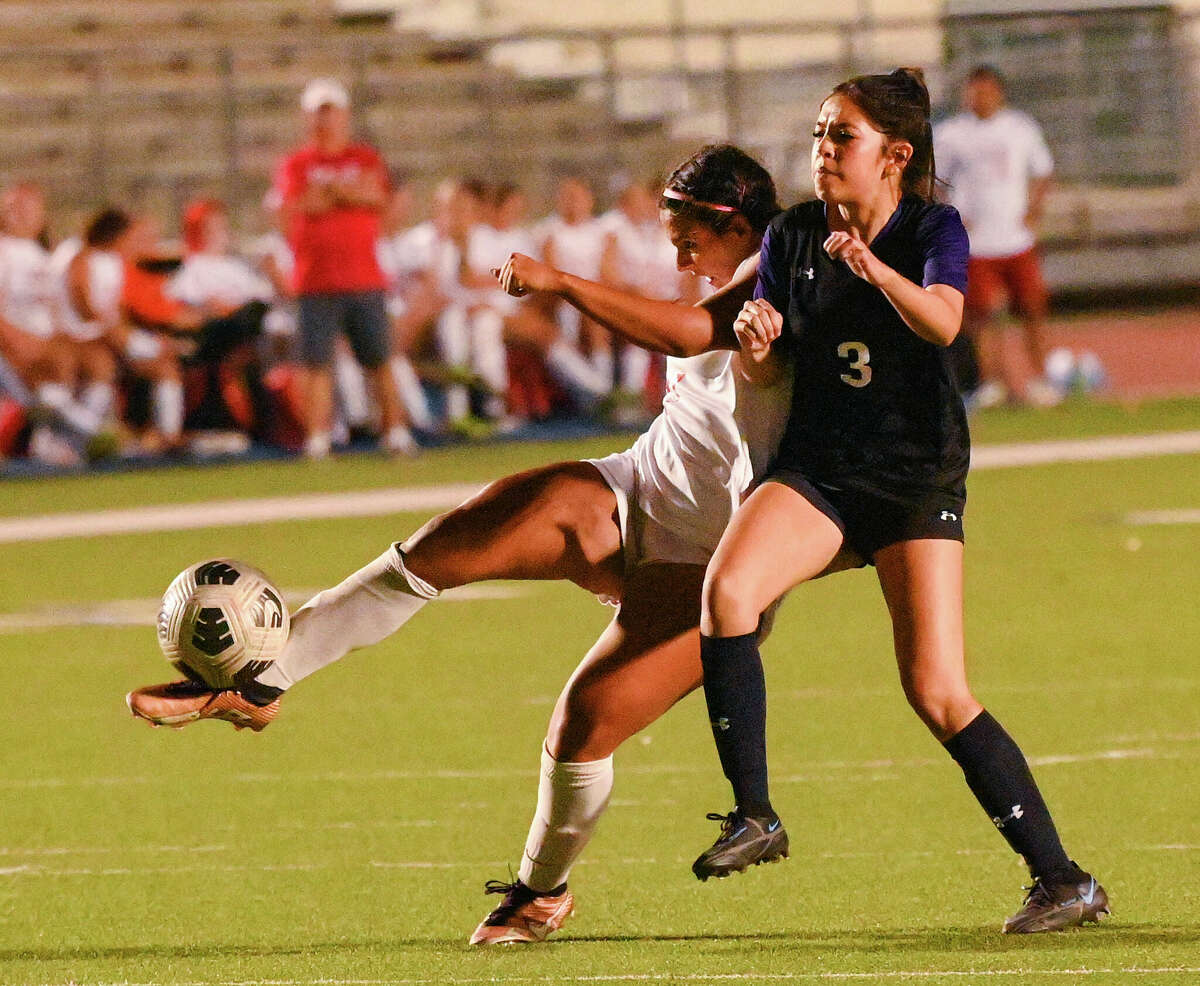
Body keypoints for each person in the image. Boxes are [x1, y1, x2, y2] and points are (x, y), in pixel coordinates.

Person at [126, 144, 857, 945]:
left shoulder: (793, 271)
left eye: (689, 232)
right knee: (451, 541)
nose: (676, 249)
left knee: (581, 726)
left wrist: (563, 281)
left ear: (738, 224)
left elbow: (687, 335)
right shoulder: (744, 269)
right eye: (669, 228)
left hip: (715, 563)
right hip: (633, 491)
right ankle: (267, 676)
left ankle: (540, 892)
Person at [687, 68, 1107, 935]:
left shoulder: (931, 229)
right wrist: (758, 343)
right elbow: (766, 363)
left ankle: (1062, 878)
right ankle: (756, 814)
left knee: (937, 690)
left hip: (914, 478)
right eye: (818, 134)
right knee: (728, 594)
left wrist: (874, 267)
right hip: (820, 472)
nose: (822, 151)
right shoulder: (795, 237)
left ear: (895, 155)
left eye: (842, 136)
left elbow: (947, 324)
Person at [272, 78, 415, 458]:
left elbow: (375, 195)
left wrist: (334, 194)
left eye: (332, 111)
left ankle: (396, 431)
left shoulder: (365, 157)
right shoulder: (297, 162)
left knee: (380, 359)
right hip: (315, 278)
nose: (327, 120)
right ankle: (317, 437)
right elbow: (300, 204)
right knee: (316, 363)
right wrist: (347, 194)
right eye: (320, 113)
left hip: (363, 275)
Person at [934, 65, 1058, 407]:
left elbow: (1043, 171)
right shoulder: (952, 134)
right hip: (977, 245)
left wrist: (1033, 212)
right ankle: (990, 381)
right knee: (981, 316)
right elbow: (937, 181)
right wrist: (954, 219)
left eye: (986, 91)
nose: (979, 98)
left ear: (999, 93)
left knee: (1032, 310)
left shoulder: (1020, 128)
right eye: (973, 91)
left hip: (1016, 239)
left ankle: (1040, 379)